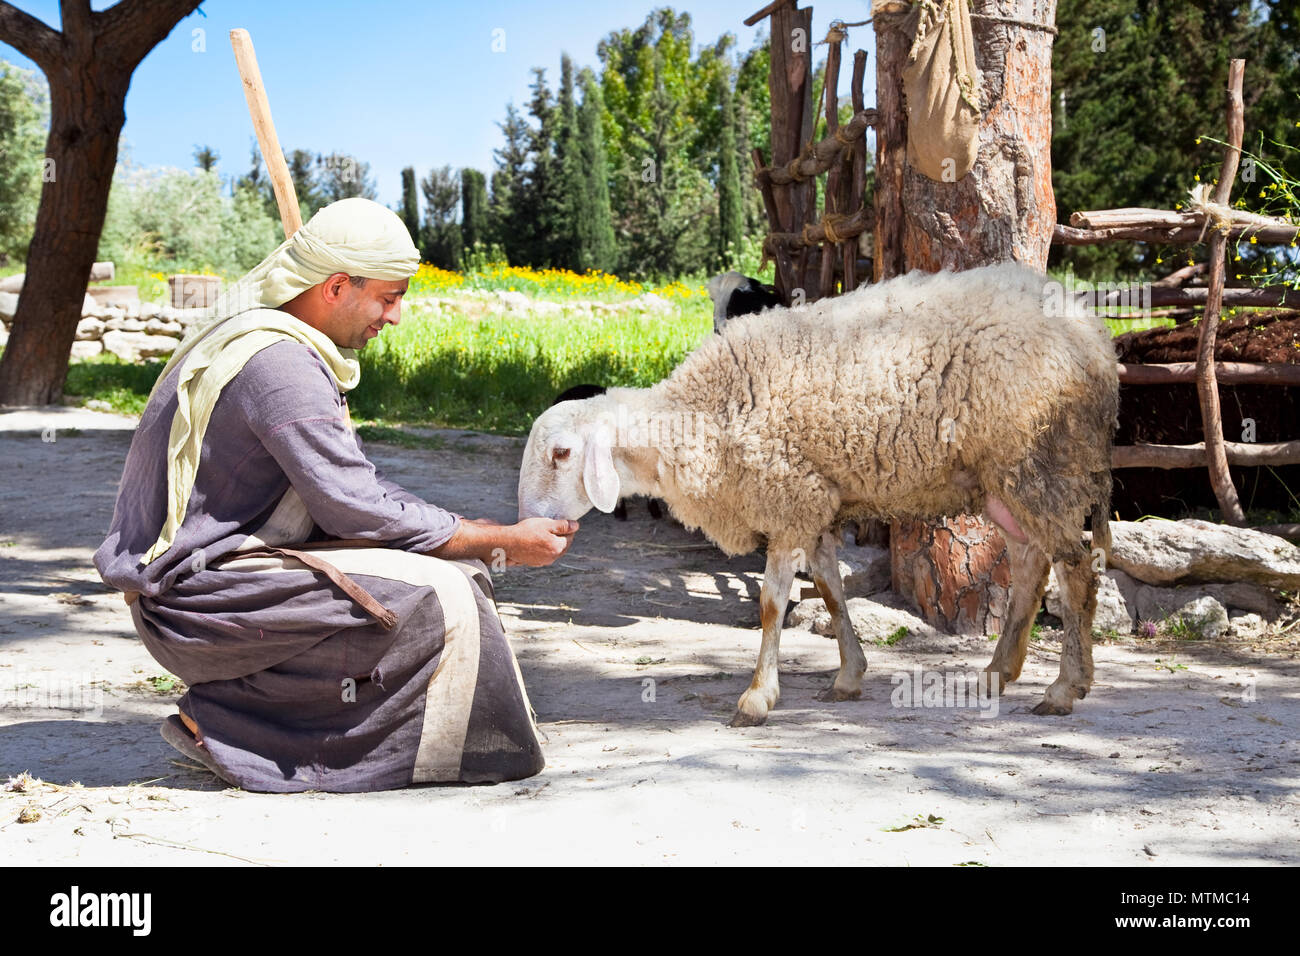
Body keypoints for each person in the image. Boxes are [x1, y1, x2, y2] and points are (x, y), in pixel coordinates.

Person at [93, 198, 577, 792]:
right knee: (440, 595)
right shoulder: (280, 364)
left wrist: (458, 531)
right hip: (197, 598)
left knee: (461, 569)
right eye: (388, 297)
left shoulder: (273, 343)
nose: (394, 316)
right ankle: (231, 725)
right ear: (337, 286)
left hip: (222, 578)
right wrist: (491, 537)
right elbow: (352, 506)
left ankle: (270, 717)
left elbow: (351, 485)